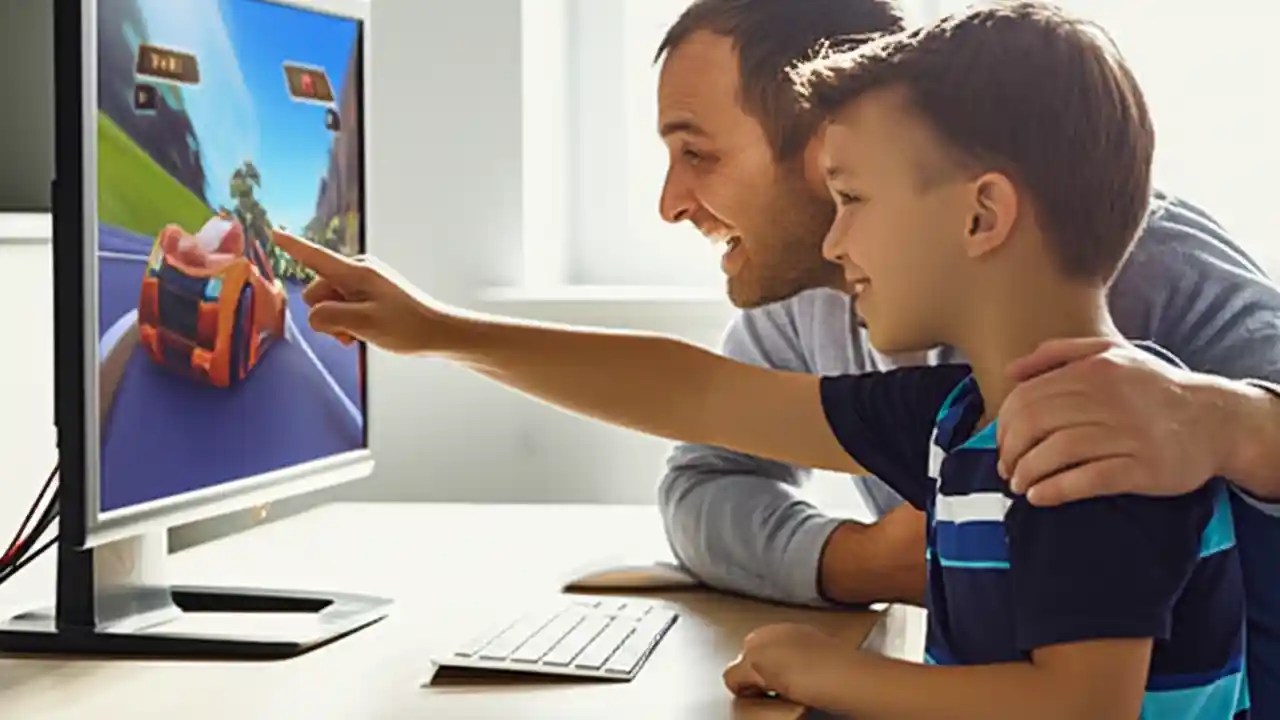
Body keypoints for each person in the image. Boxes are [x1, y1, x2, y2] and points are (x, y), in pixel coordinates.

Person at [273, 3, 1251, 715]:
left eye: (853, 198)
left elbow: (1076, 709)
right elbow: (697, 393)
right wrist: (439, 330)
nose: (835, 235)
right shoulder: (957, 414)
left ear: (979, 215)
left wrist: (838, 673)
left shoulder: (1092, 440)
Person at [648, 0, 1280, 711]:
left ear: (814, 145)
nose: (671, 202)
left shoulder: (1089, 407)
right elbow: (705, 408)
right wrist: (866, 562)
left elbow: (1079, 706)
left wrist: (1228, 421)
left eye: (699, 153)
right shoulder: (951, 402)